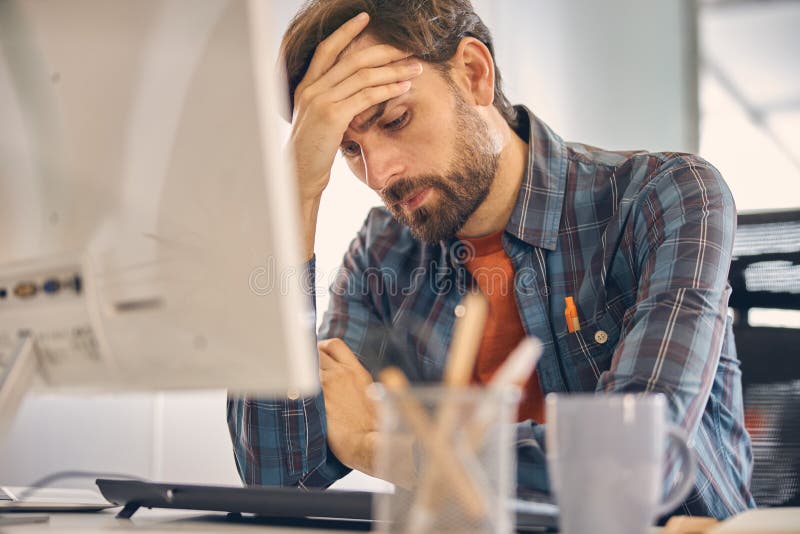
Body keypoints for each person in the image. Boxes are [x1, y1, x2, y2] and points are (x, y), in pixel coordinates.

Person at [228, 0, 755, 519]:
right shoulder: (384, 250)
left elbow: (633, 467)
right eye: (347, 148)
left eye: (395, 119)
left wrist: (384, 444)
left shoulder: (667, 197)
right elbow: (281, 471)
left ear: (475, 74)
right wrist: (297, 193)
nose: (379, 173)